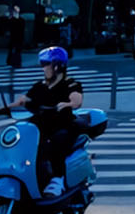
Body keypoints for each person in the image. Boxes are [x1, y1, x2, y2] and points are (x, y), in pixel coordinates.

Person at [9, 47, 83, 198]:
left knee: (56, 142)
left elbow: (76, 100)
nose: (42, 67)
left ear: (58, 65)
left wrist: (68, 104)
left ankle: (58, 179)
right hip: (41, 124)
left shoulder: (70, 84)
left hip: (62, 124)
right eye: (42, 63)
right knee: (23, 139)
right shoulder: (40, 86)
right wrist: (13, 105)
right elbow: (26, 98)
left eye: (45, 63)